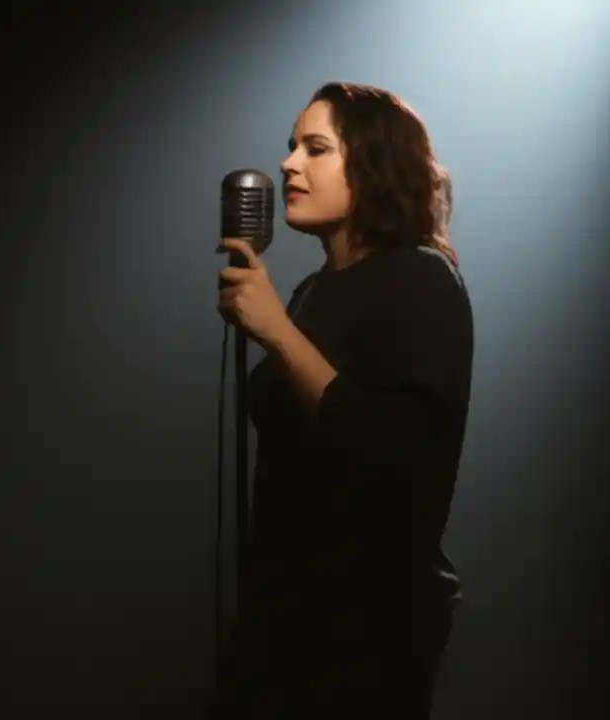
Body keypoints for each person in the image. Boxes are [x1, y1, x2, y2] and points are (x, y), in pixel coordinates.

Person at [207, 81, 473, 719]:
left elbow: (384, 452)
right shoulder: (310, 291)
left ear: (374, 166)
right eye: (291, 147)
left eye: (315, 148)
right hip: (280, 620)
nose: (288, 164)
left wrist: (275, 330)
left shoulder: (421, 281)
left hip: (364, 635)